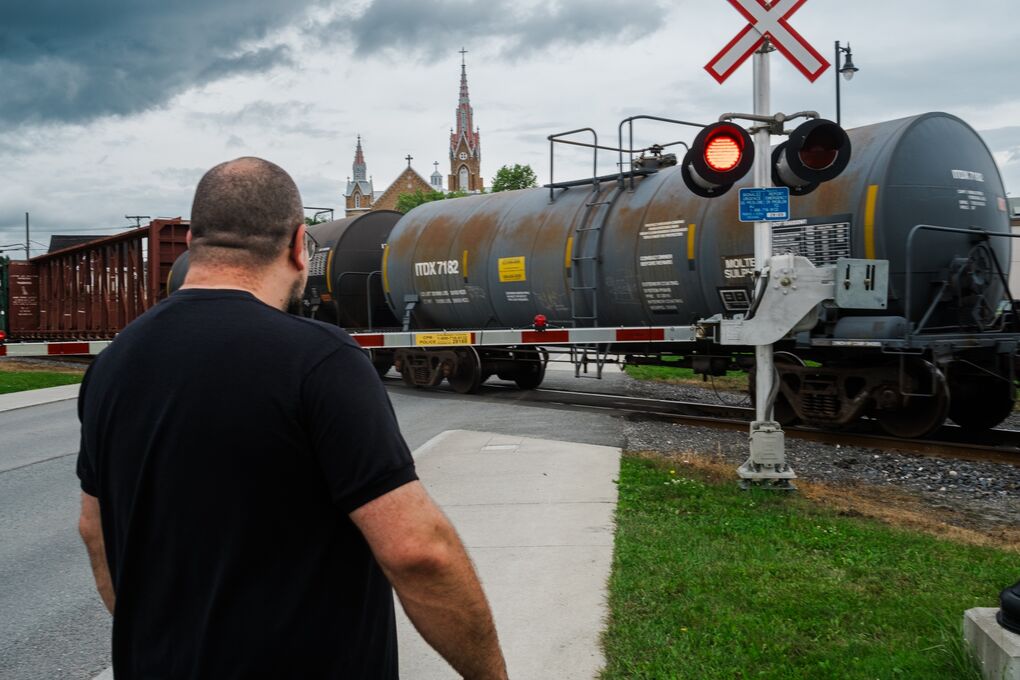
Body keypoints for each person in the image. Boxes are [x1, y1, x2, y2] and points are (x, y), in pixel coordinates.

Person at [77, 157, 508, 679]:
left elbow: (94, 530)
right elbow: (417, 552)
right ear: (299, 245)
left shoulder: (112, 365)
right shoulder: (320, 361)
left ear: (193, 240)